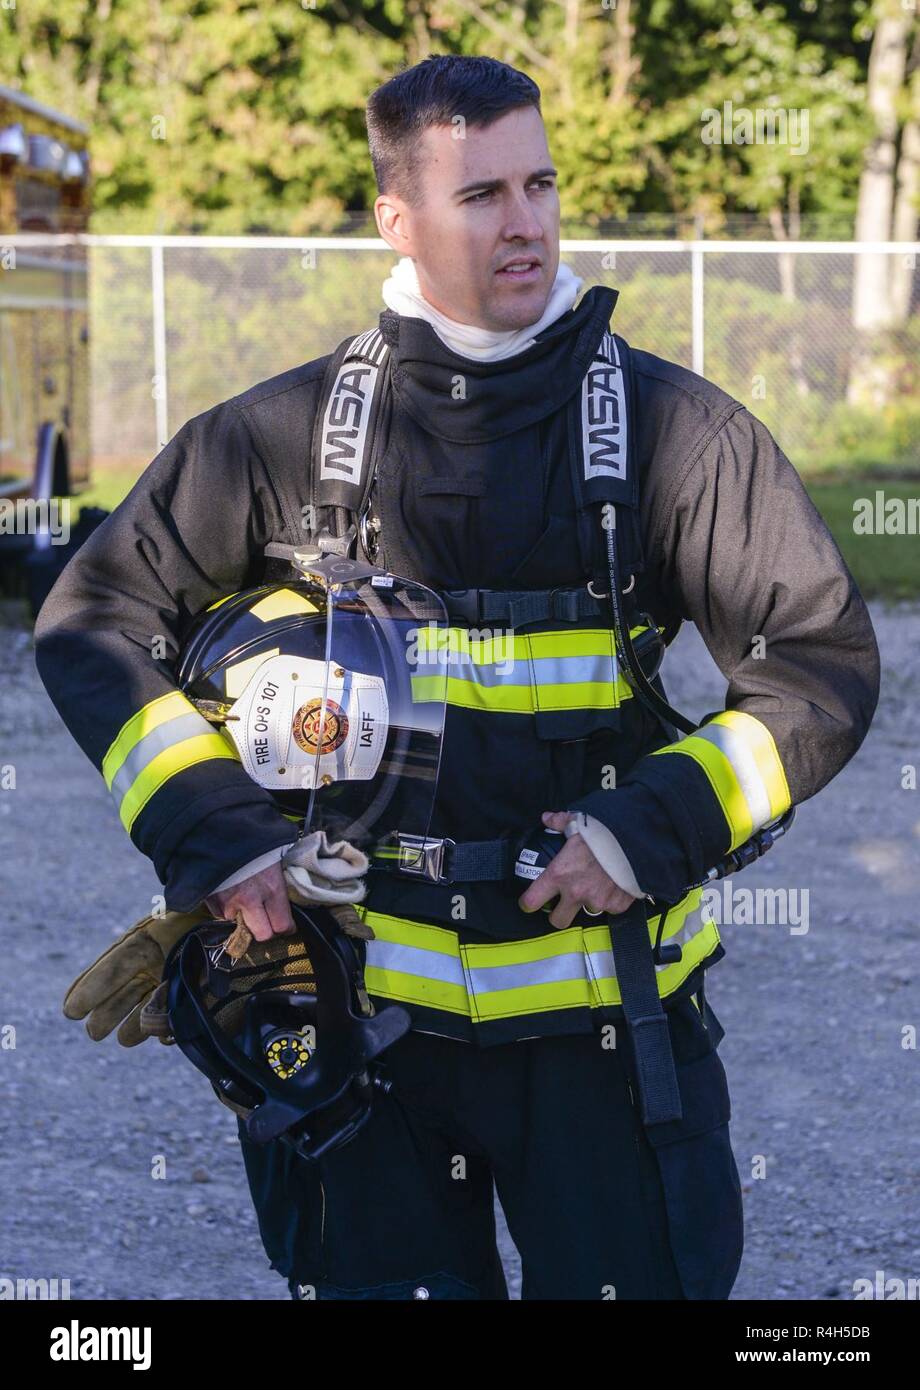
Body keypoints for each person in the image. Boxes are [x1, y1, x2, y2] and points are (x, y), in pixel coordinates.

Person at [34, 54, 880, 1301]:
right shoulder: (278, 436)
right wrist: (220, 840)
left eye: (539, 183)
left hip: (610, 1030)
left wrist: (648, 829)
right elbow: (94, 616)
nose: (527, 219)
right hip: (366, 1032)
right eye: (481, 193)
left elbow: (816, 665)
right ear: (397, 219)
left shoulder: (674, 436)